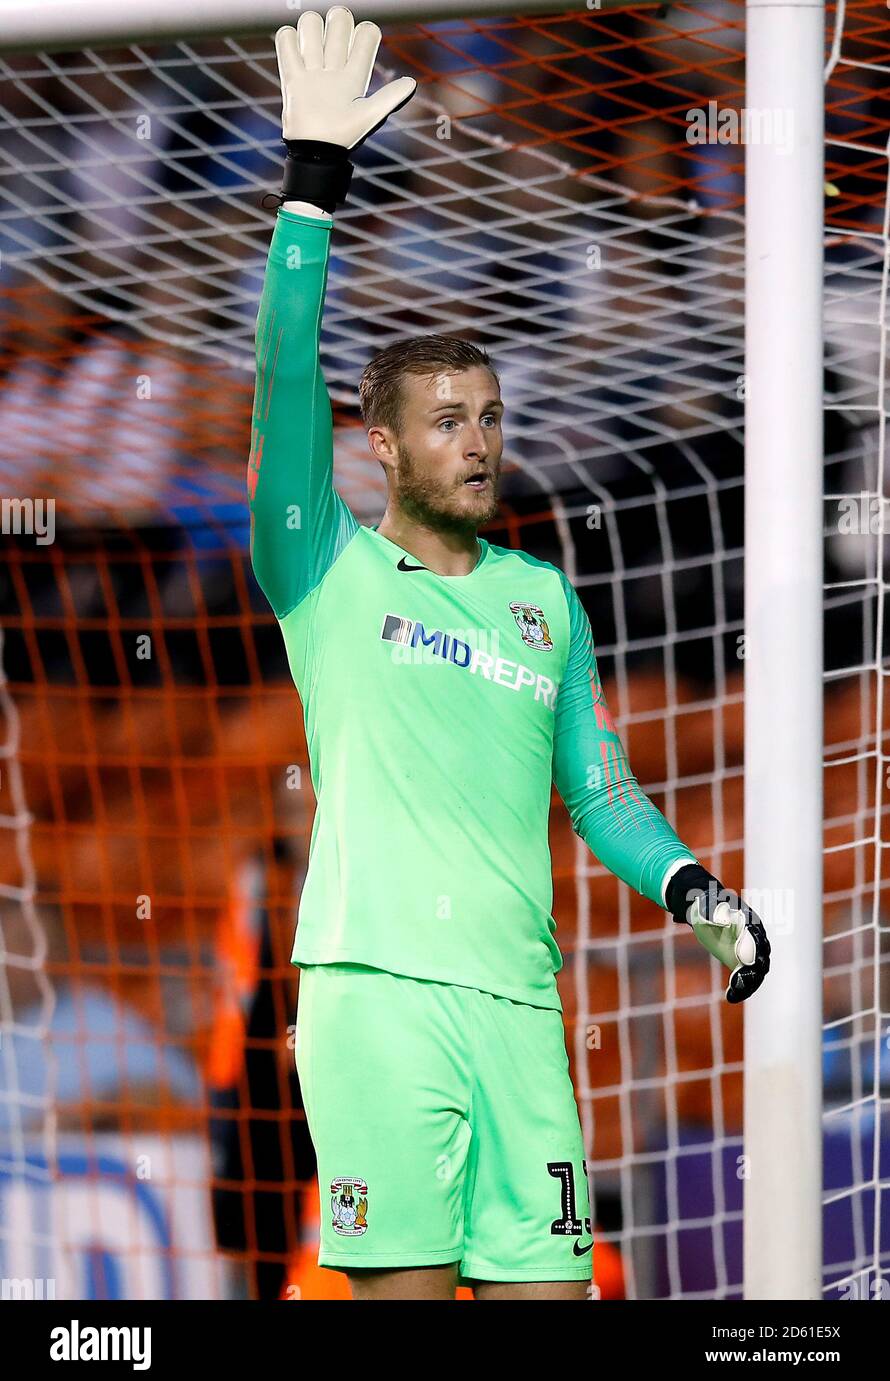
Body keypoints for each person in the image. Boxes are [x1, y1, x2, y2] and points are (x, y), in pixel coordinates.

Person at [247, 6, 770, 1302]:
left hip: (522, 1011)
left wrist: (694, 886)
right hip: (375, 1001)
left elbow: (595, 789)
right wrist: (313, 189)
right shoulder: (322, 565)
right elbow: (276, 382)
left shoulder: (543, 600)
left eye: (488, 416)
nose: (476, 441)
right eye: (443, 421)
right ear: (380, 442)